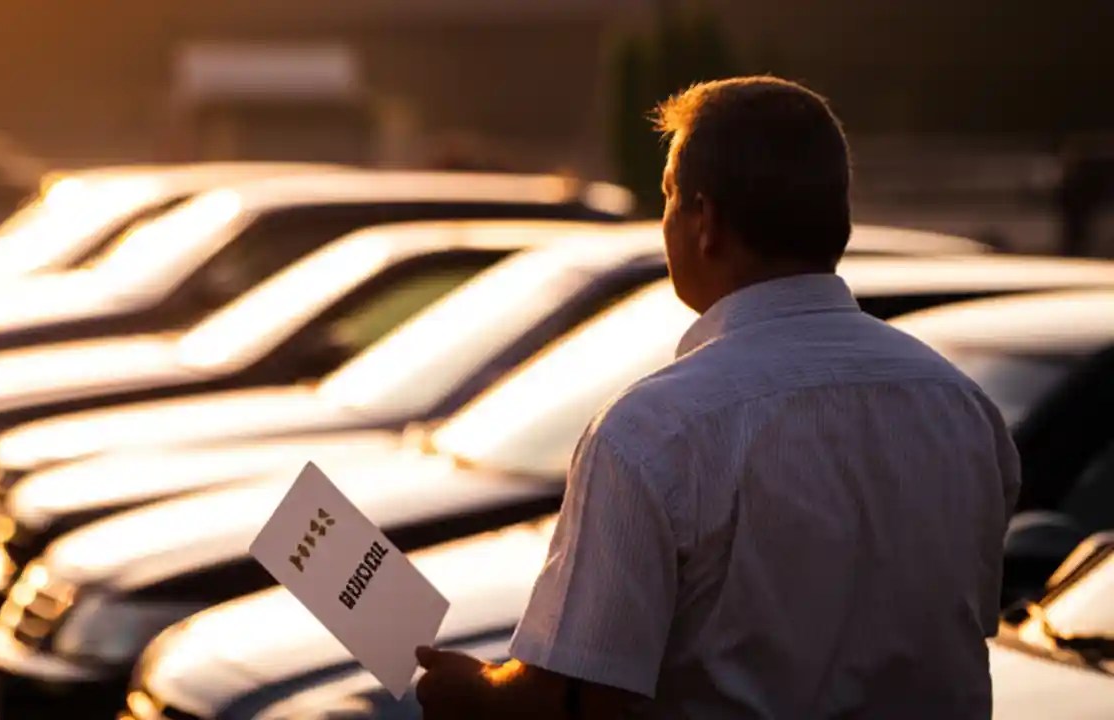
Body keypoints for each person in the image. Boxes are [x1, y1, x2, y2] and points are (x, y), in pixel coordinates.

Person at [415, 76, 1020, 719]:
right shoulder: (962, 409)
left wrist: (472, 692)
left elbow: (582, 702)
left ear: (704, 221)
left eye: (669, 197)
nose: (665, 220)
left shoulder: (653, 431)